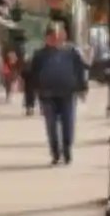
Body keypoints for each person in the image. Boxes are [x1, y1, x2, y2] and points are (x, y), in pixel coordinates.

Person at [29, 24, 88, 166]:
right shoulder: (39, 55)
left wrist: (82, 88)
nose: (55, 39)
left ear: (63, 36)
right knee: (51, 125)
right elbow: (33, 75)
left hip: (67, 93)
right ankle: (55, 153)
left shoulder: (72, 52)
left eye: (58, 35)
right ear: (47, 38)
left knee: (68, 123)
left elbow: (80, 70)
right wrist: (34, 93)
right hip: (47, 95)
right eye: (52, 36)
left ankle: (67, 151)